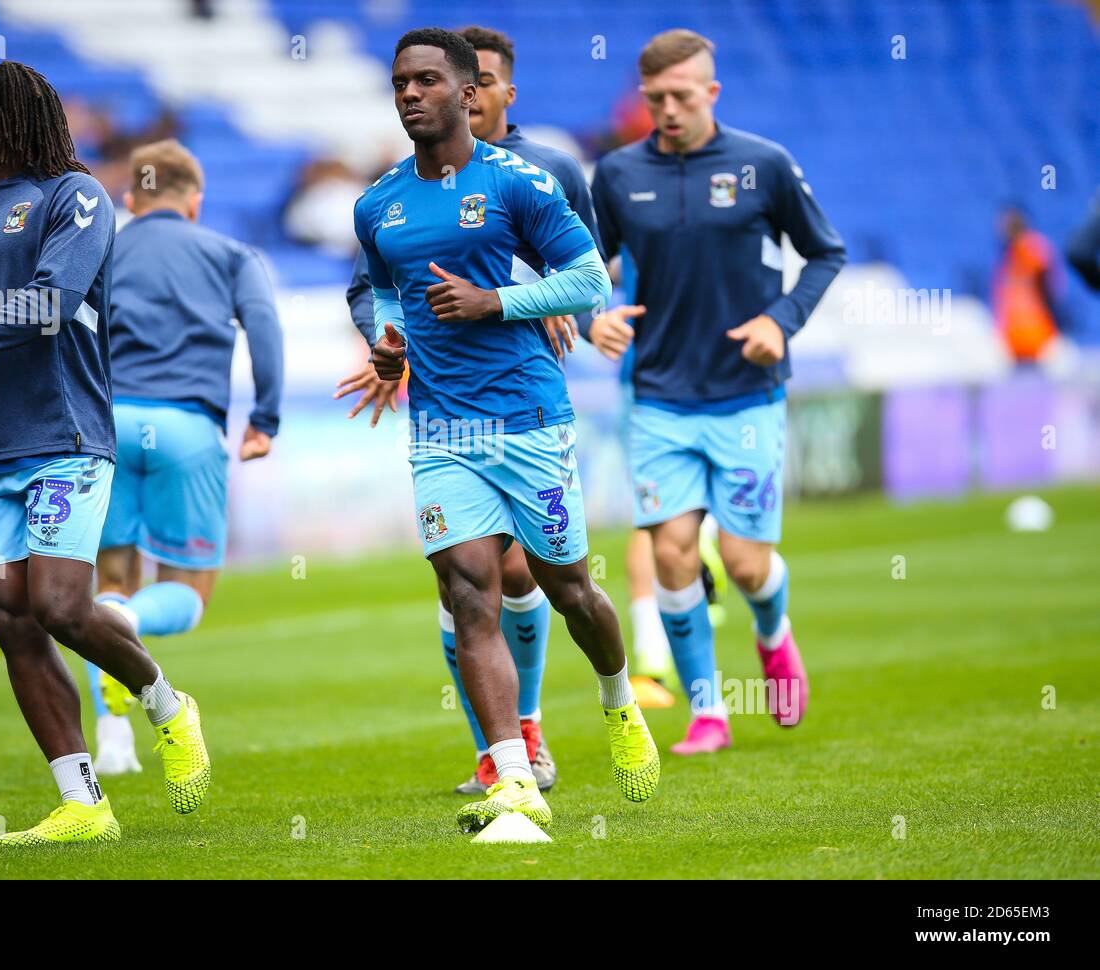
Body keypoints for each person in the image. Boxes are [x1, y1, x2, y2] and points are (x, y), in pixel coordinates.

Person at [0, 62, 211, 844]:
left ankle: (167, 705)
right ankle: (83, 802)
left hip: (63, 437)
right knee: (14, 622)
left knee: (59, 605)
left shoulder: (77, 198)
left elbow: (48, 306)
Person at [353, 27, 659, 832]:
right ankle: (513, 776)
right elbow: (386, 291)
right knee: (468, 589)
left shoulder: (520, 182)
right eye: (400, 84)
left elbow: (587, 278)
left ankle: (619, 701)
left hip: (528, 419)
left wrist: (498, 303)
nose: (410, 94)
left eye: (426, 81)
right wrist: (388, 344)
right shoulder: (376, 203)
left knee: (568, 588)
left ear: (467, 91)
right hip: (441, 430)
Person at [590, 29, 846, 754]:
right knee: (672, 552)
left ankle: (773, 632)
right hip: (659, 396)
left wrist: (781, 320)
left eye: (680, 95)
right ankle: (709, 712)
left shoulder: (763, 165)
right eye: (654, 99)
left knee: (743, 563)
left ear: (712, 92)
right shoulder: (615, 174)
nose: (667, 110)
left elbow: (827, 253)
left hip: (746, 394)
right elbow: (581, 264)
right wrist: (592, 318)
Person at [86, 138, 283, 774]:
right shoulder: (230, 254)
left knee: (108, 582)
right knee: (189, 596)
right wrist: (264, 418)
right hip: (186, 427)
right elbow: (265, 329)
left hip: (108, 426)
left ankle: (113, 741)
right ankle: (128, 617)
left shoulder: (102, 248)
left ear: (129, 198)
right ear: (194, 202)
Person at [992, 207, 1065, 363]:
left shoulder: (1031, 247)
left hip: (1037, 334)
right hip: (1015, 337)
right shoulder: (1010, 252)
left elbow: (1051, 284)